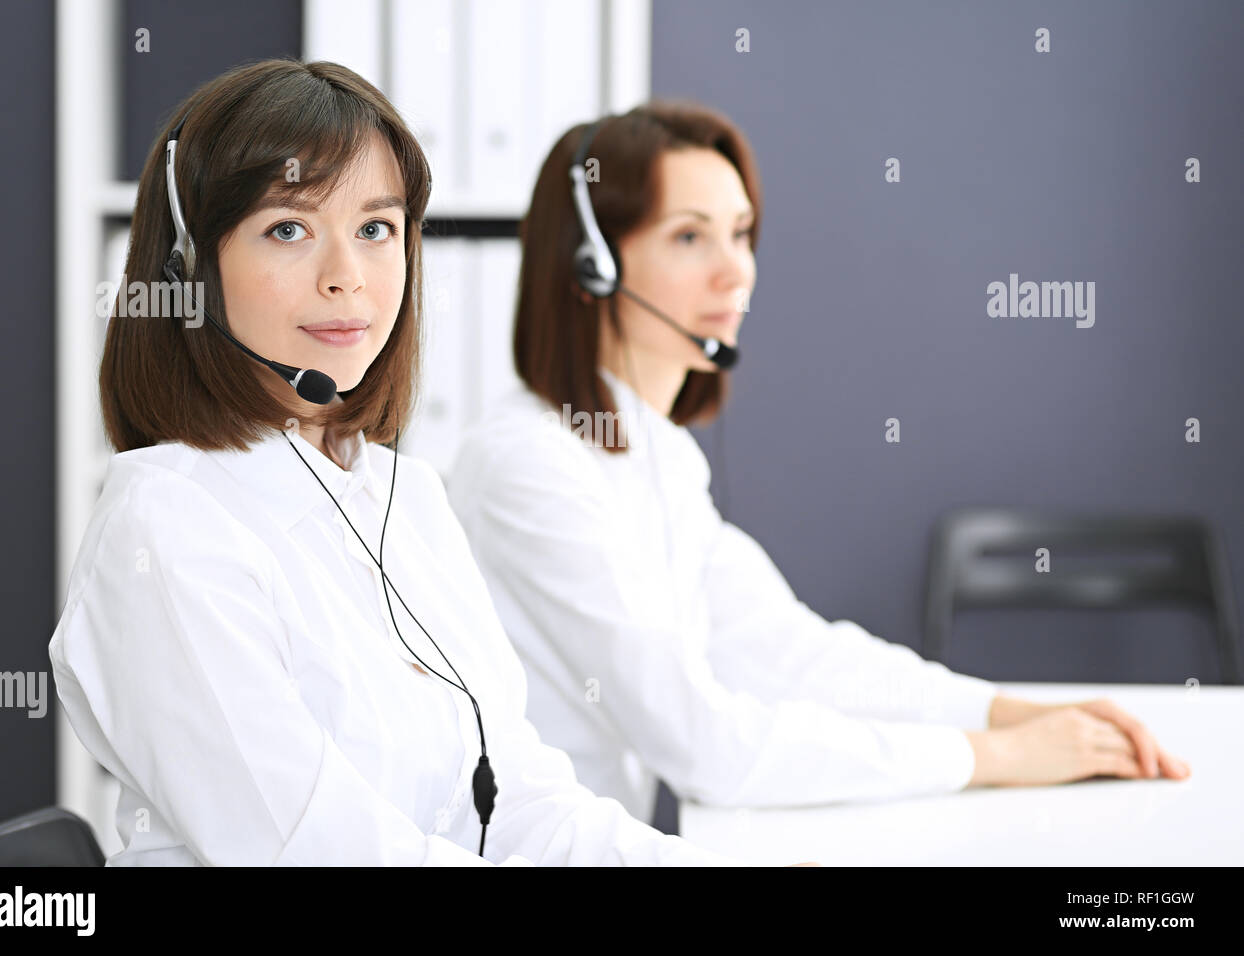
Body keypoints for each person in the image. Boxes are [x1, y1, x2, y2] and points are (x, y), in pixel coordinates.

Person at [48, 60, 772, 866]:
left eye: (376, 229)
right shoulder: (165, 533)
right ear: (190, 272)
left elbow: (523, 801)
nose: (345, 277)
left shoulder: (404, 495)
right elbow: (328, 854)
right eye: (288, 228)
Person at [446, 102, 1191, 826]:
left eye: (741, 234)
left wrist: (1006, 710)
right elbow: (704, 745)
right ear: (592, 268)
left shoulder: (657, 457)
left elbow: (789, 652)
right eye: (688, 238)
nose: (735, 272)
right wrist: (990, 756)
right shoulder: (528, 467)